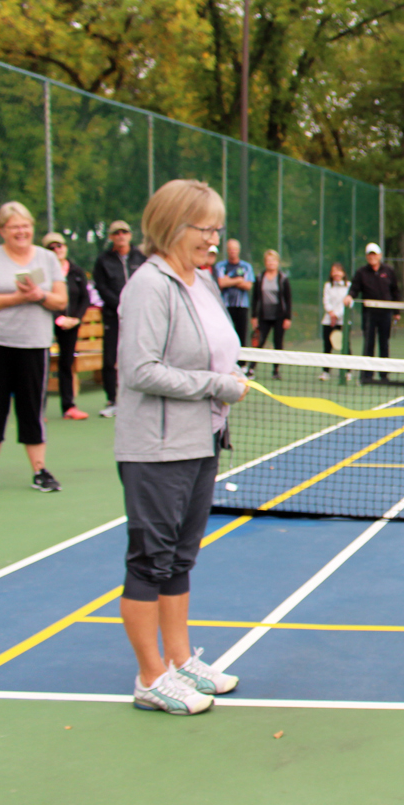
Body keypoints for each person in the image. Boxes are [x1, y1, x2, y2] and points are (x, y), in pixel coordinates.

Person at [115, 178, 247, 715]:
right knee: (151, 559)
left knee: (181, 558)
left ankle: (179, 659)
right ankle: (150, 676)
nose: (214, 240)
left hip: (202, 437)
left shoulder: (202, 283)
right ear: (173, 224)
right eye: (205, 229)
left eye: (219, 229)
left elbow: (215, 352)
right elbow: (140, 369)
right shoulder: (149, 285)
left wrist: (230, 375)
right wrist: (217, 385)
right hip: (156, 446)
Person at [0, 202, 69, 493]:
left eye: (25, 226)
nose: (21, 232)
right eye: (14, 227)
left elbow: (60, 301)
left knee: (32, 408)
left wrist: (38, 294)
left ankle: (40, 471)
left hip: (34, 344)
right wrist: (16, 298)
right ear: (2, 231)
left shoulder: (47, 259)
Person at [91, 219, 146, 418]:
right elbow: (101, 287)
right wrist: (121, 305)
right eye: (116, 233)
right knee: (110, 359)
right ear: (111, 237)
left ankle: (138, 399)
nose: (120, 236)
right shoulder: (103, 260)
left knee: (140, 355)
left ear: (130, 235)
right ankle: (112, 400)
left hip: (139, 315)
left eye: (124, 232)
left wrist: (136, 306)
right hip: (113, 316)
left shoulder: (141, 257)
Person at [44, 231, 91, 420]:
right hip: (47, 323)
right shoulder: (43, 272)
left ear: (65, 248)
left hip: (71, 324)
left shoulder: (76, 271)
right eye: (51, 247)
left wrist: (76, 319)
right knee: (43, 365)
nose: (57, 250)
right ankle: (39, 410)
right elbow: (40, 296)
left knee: (66, 364)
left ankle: (69, 407)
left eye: (59, 246)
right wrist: (58, 318)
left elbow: (84, 298)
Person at [344, 243, 399, 383]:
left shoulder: (389, 271)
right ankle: (367, 376)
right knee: (368, 344)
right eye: (370, 255)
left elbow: (395, 291)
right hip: (369, 314)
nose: (372, 257)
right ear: (367, 257)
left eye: (374, 254)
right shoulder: (361, 272)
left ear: (379, 256)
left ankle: (384, 375)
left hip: (385, 314)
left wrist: (396, 312)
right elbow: (354, 288)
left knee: (384, 343)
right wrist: (350, 296)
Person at [249, 249, 292, 378]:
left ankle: (276, 371)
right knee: (259, 342)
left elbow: (288, 299)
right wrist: (254, 316)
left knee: (278, 343)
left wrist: (287, 318)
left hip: (279, 316)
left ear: (278, 262)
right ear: (265, 262)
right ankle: (251, 369)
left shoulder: (283, 279)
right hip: (263, 316)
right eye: (268, 260)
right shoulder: (260, 277)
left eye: (273, 260)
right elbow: (255, 298)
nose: (271, 263)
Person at [215, 238, 255, 352]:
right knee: (225, 334)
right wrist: (238, 280)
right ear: (227, 250)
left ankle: (241, 363)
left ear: (239, 250)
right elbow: (221, 283)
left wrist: (229, 281)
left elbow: (248, 285)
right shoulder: (220, 266)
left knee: (241, 334)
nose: (233, 251)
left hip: (242, 306)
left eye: (235, 249)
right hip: (225, 306)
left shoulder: (246, 266)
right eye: (230, 249)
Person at [320, 262, 349, 381]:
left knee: (346, 347)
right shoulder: (328, 286)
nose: (336, 273)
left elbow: (347, 303)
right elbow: (326, 301)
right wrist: (331, 314)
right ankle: (325, 372)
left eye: (338, 270)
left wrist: (336, 316)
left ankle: (347, 371)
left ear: (343, 273)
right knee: (327, 347)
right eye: (334, 271)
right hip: (328, 322)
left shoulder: (348, 286)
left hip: (343, 322)